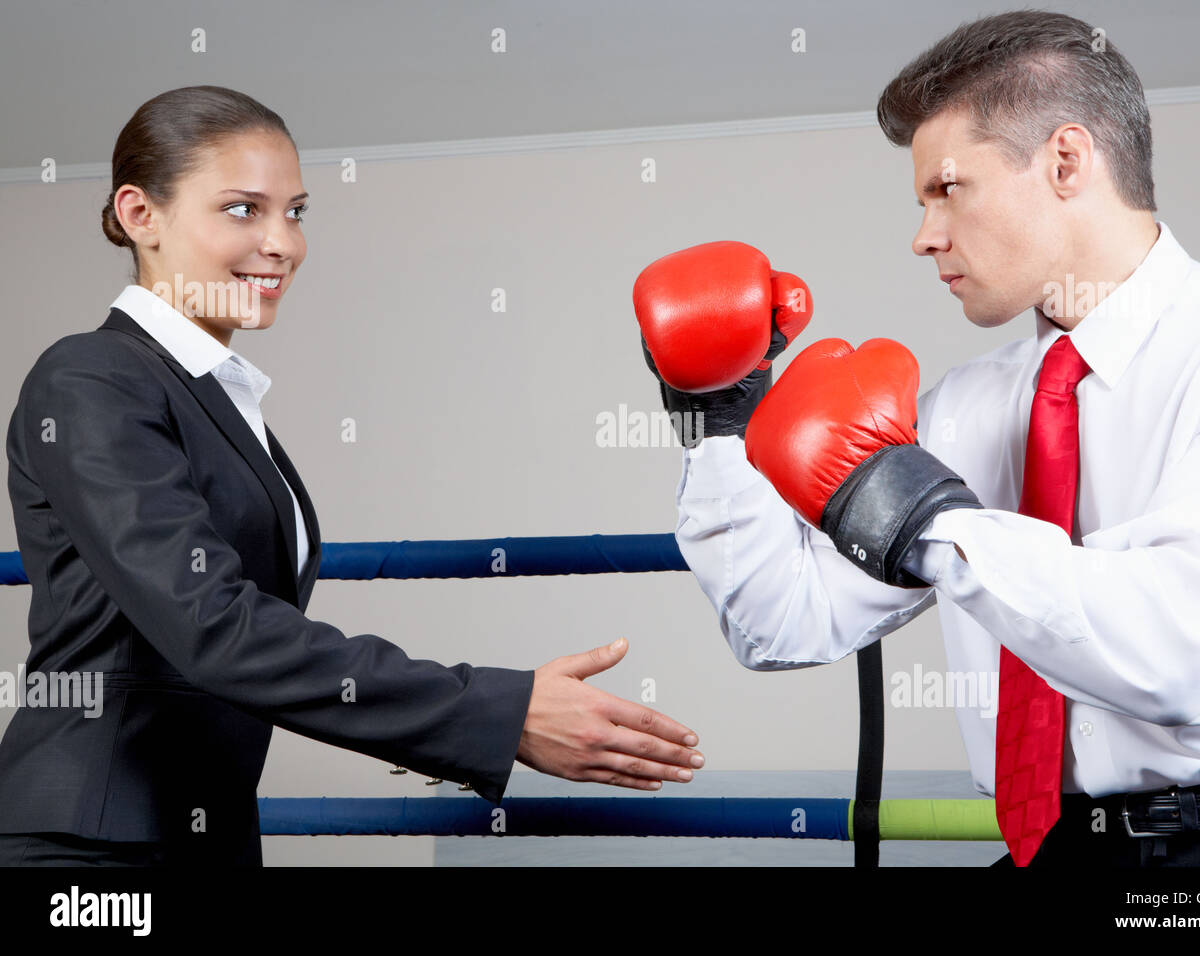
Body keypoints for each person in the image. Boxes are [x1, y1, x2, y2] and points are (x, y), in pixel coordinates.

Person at [644, 10, 1200, 867]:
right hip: (1052, 848)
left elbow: (1176, 653)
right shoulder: (966, 406)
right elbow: (782, 623)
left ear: (1066, 162)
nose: (924, 237)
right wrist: (719, 420)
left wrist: (921, 518)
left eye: (948, 190)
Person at [0, 85, 704, 867]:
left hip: (196, 831)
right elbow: (213, 626)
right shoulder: (91, 378)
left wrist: (491, 714)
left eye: (295, 212)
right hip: (91, 840)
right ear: (140, 215)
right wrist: (500, 713)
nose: (283, 243)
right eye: (243, 209)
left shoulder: (214, 397)